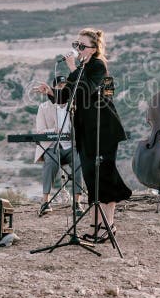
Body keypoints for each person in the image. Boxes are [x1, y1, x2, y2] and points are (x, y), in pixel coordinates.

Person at [36, 28, 131, 242]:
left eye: (81, 46)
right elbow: (68, 95)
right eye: (76, 45)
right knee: (91, 177)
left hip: (103, 129)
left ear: (94, 48)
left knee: (103, 176)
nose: (77, 49)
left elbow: (86, 89)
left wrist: (73, 68)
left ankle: (108, 225)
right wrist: (51, 92)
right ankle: (97, 225)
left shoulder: (98, 65)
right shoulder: (82, 68)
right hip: (86, 130)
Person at [34, 76, 84, 217]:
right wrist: (53, 131)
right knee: (50, 160)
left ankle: (77, 202)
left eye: (65, 87)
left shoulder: (74, 106)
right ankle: (45, 202)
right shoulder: (44, 108)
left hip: (71, 147)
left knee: (79, 161)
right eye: (59, 87)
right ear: (54, 89)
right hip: (53, 146)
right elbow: (40, 131)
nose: (62, 89)